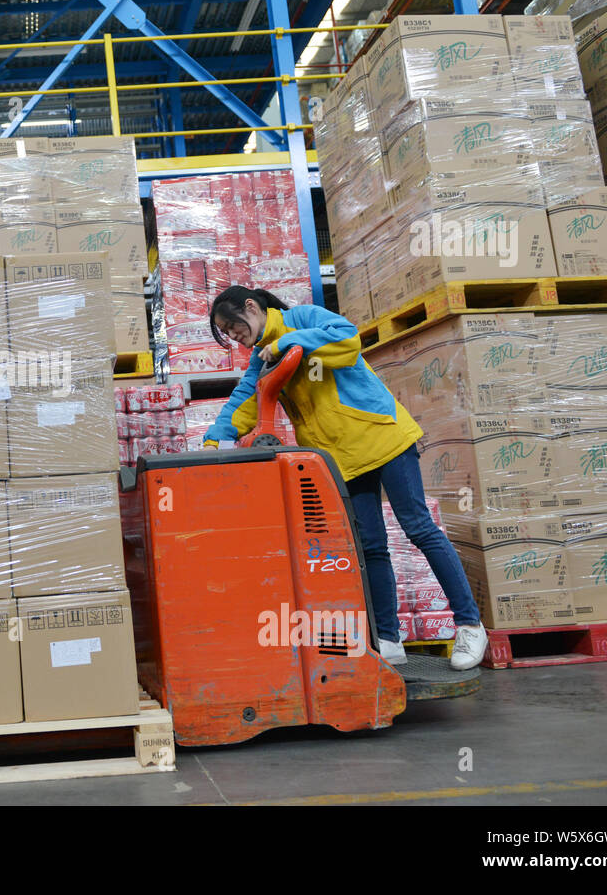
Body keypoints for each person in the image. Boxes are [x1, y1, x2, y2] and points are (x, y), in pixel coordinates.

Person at [202, 285, 487, 671]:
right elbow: (244, 400)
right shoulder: (260, 359)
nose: (233, 335)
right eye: (226, 333)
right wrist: (214, 440)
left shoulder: (302, 319)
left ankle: (470, 625)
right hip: (340, 458)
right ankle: (388, 638)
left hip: (382, 435)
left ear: (251, 307)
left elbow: (347, 340)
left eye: (231, 325)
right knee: (371, 547)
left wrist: (289, 340)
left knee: (419, 528)